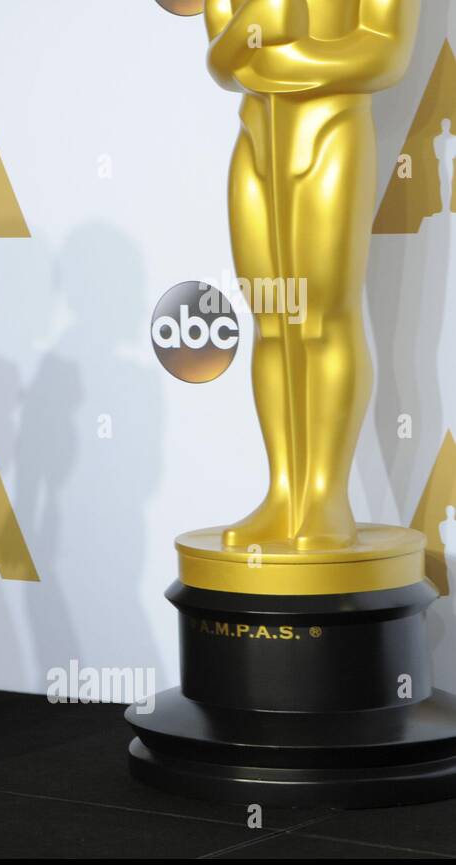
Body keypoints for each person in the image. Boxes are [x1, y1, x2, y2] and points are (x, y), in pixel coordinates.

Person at [204, 0, 418, 550]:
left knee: (323, 316)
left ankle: (324, 495)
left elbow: (384, 52)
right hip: (255, 140)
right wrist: (260, 29)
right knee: (273, 319)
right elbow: (222, 63)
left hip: (334, 132)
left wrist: (282, 53)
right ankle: (283, 493)